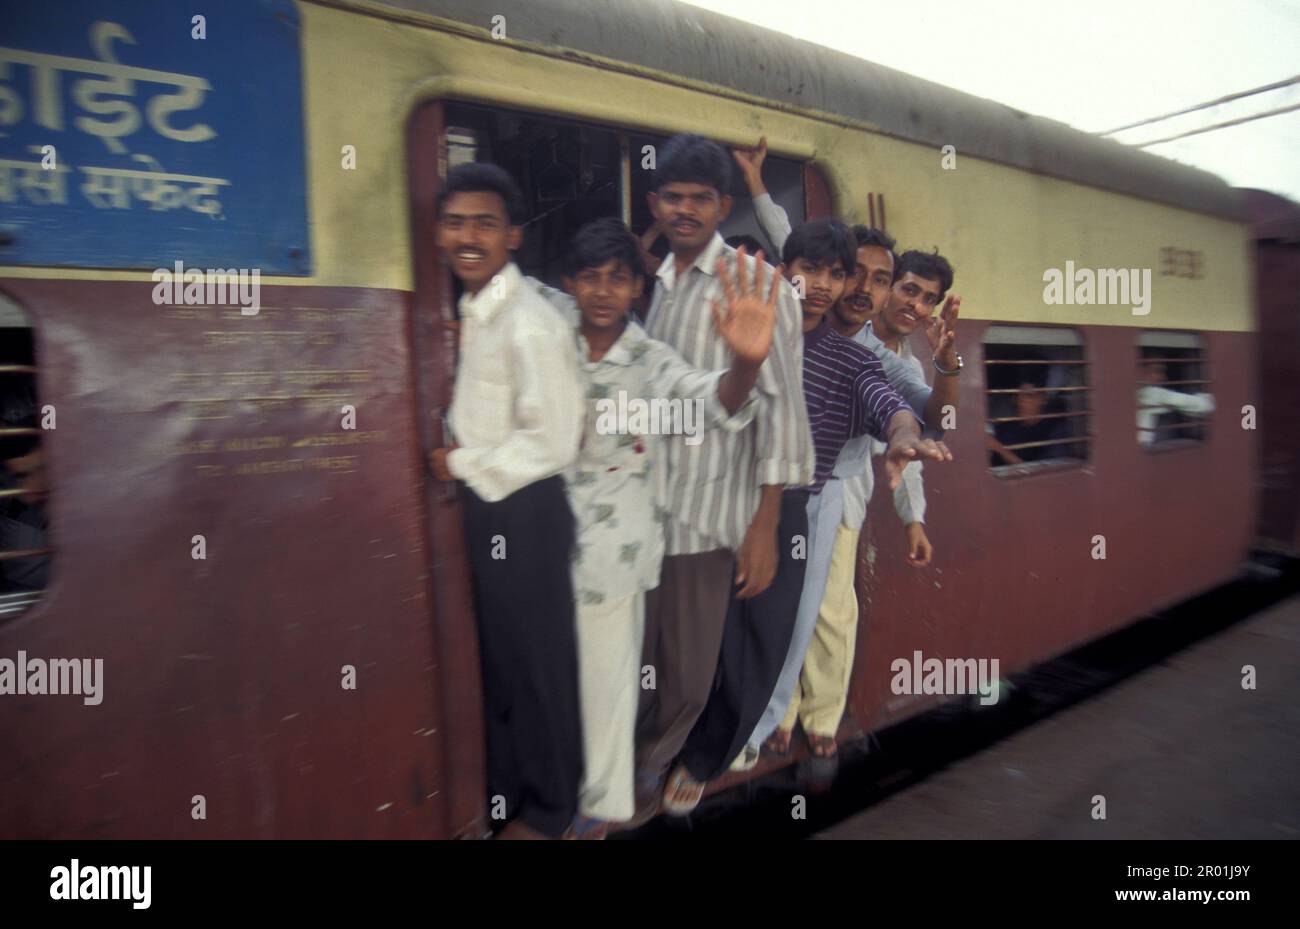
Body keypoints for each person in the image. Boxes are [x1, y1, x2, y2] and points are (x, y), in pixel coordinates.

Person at [536, 218, 776, 836]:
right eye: (590, 277)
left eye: (619, 279)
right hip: (542, 536)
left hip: (614, 549)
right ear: (569, 283)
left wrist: (745, 366)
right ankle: (556, 792)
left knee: (611, 680)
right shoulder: (549, 321)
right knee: (554, 678)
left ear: (638, 292)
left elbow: (711, 400)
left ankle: (599, 811)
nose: (603, 291)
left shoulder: (648, 361)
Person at [630, 133, 815, 823]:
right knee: (651, 661)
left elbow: (784, 410)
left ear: (722, 205)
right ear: (655, 203)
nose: (684, 210)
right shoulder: (662, 286)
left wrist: (766, 522)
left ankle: (651, 779)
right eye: (672, 197)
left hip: (715, 514)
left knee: (687, 674)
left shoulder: (757, 284)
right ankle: (634, 770)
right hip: (655, 509)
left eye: (699, 199)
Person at [740, 225, 953, 772]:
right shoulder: (784, 322)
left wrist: (913, 512)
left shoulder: (878, 360)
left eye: (879, 280)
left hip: (830, 495)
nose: (861, 287)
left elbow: (922, 419)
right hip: (752, 489)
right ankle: (763, 713)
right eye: (852, 272)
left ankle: (789, 720)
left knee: (816, 613)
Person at [426, 162, 585, 840]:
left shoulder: (531, 321)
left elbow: (554, 439)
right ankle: (508, 796)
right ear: (439, 233)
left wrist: (456, 461)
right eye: (456, 221)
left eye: (485, 223)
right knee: (503, 660)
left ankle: (551, 811)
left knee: (539, 662)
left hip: (528, 507)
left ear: (513, 235)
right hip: (493, 504)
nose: (468, 235)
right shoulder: (475, 309)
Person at [1136, 360, 1214, 445]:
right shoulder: (1149, 393)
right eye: (1157, 371)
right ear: (1140, 371)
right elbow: (1201, 405)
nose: (1163, 378)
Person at [989, 381, 1067, 464]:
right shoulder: (1006, 426)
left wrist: (1001, 450)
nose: (1023, 402)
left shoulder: (1053, 431)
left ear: (1042, 399)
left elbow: (1041, 473)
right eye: (1019, 396)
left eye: (1029, 396)